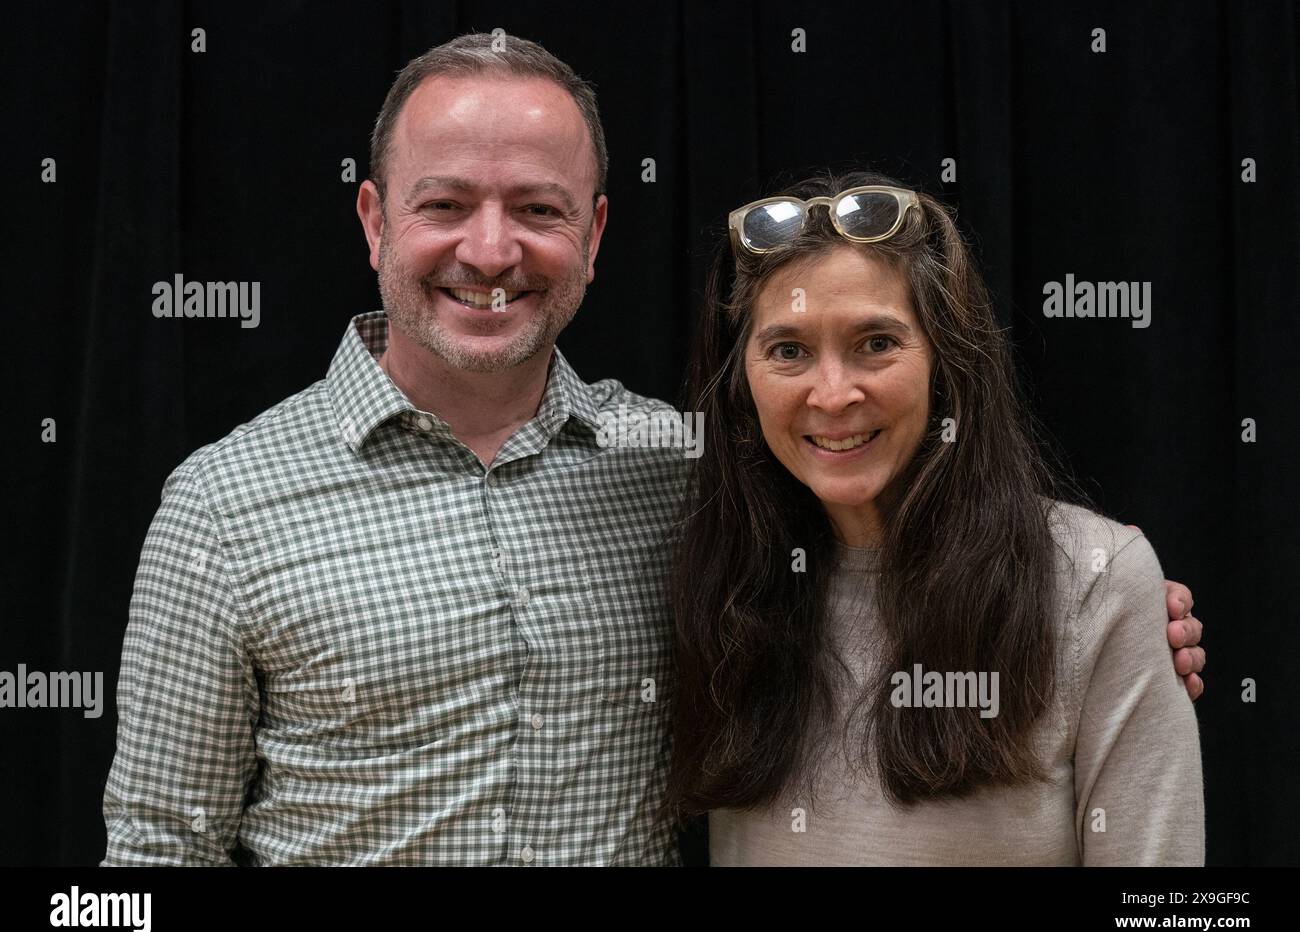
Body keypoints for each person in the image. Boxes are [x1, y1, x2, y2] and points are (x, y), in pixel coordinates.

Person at [101, 33, 1203, 866]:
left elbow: (922, 552)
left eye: (536, 207)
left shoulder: (692, 478)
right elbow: (146, 861)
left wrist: (1114, 616)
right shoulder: (223, 505)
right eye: (446, 204)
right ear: (375, 219)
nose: (490, 249)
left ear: (593, 232)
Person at [665, 170, 1205, 864]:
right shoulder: (716, 579)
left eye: (877, 343)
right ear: (742, 381)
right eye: (789, 350)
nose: (832, 395)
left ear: (948, 362)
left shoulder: (1094, 581)